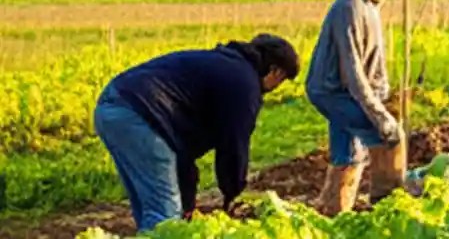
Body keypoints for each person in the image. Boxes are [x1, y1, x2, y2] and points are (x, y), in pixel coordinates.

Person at [94, 34, 299, 232]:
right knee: (166, 218)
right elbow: (234, 144)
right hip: (141, 115)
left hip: (113, 106)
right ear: (275, 72)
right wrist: (231, 192)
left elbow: (182, 153)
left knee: (150, 206)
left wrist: (189, 204)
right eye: (281, 81)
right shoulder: (245, 84)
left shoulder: (223, 64)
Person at [307, 0, 404, 215]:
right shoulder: (349, 8)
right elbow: (352, 71)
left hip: (346, 91)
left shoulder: (369, 3)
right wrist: (379, 114)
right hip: (333, 91)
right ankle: (388, 206)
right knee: (388, 138)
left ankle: (332, 213)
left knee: (348, 155)